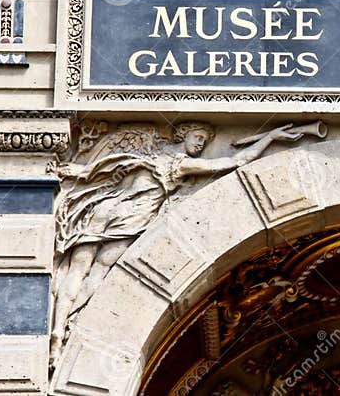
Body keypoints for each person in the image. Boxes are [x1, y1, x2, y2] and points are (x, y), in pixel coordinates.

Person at [50, 121, 306, 360]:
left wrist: (81, 170)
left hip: (107, 211)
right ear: (183, 134)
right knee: (93, 271)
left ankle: (60, 327)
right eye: (198, 137)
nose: (200, 145)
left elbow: (112, 164)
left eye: (204, 142)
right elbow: (237, 160)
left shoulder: (150, 151)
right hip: (128, 220)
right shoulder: (178, 164)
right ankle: (63, 327)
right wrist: (271, 137)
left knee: (79, 271)